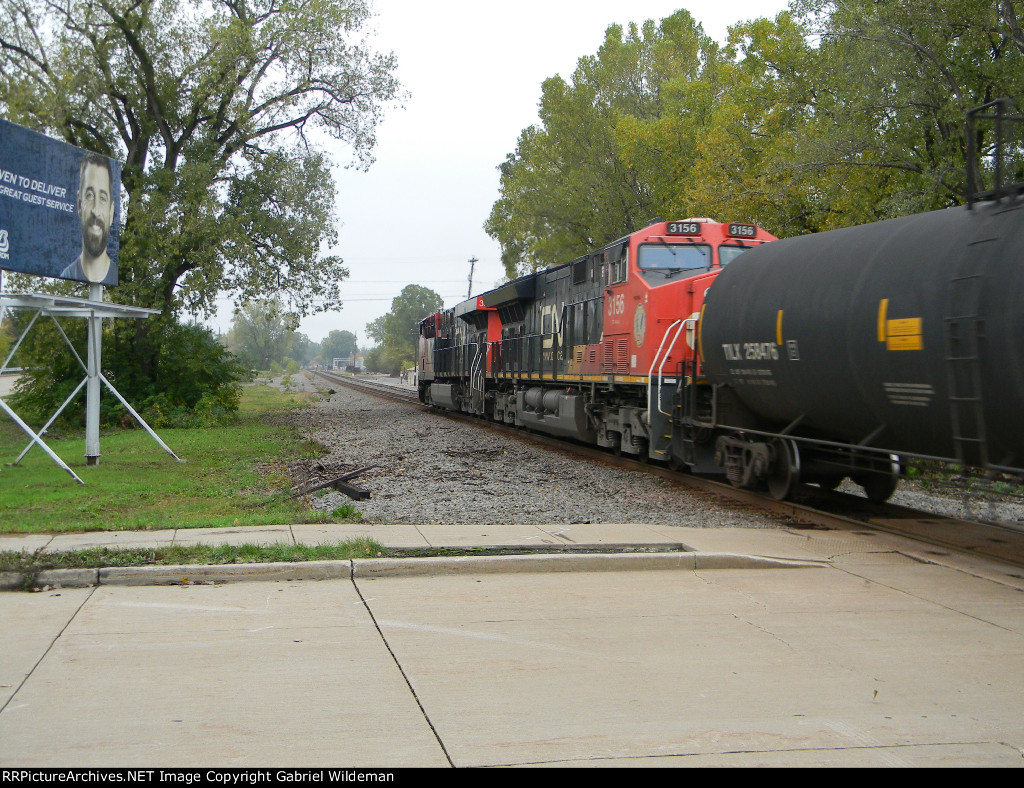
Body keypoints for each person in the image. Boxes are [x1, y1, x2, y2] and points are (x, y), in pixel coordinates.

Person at [60, 152, 116, 285]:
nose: (96, 211)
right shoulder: (66, 275)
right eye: (90, 195)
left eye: (103, 198)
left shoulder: (117, 274)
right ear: (79, 204)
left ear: (111, 211)